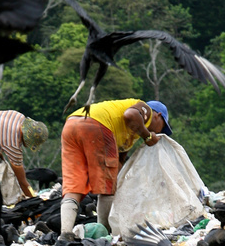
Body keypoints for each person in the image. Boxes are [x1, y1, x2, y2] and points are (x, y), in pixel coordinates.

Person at [59, 98, 171, 235]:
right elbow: (130, 115)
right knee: (106, 189)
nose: (160, 131)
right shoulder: (145, 109)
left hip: (72, 124)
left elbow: (118, 163)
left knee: (73, 186)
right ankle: (104, 232)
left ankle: (65, 233)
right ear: (158, 116)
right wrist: (148, 136)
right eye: (163, 126)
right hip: (97, 124)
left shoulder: (129, 134)